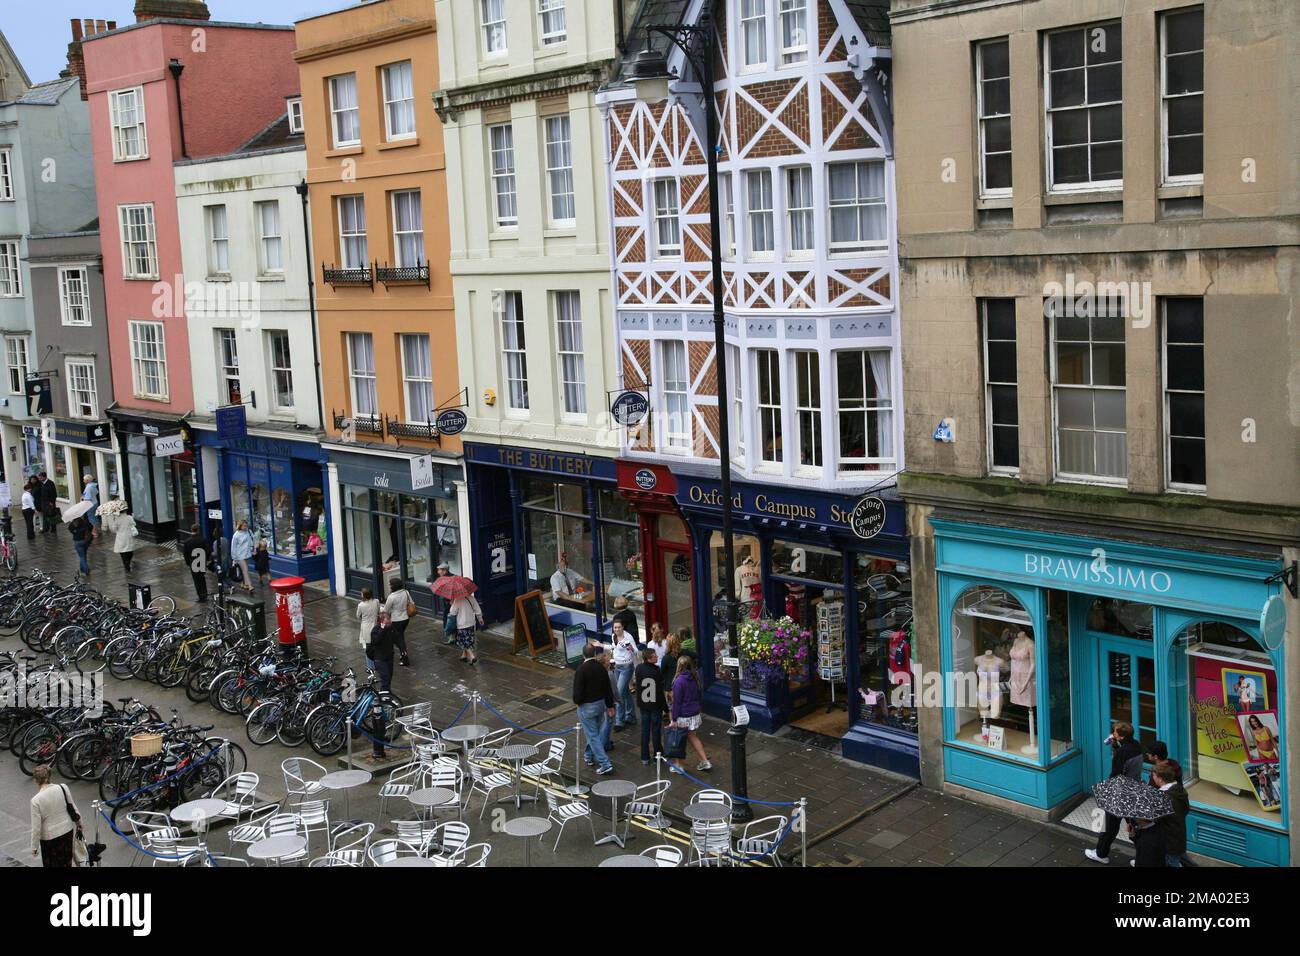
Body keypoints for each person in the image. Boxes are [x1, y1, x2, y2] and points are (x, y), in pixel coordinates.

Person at [1085, 722, 1144, 864]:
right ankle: (1143, 858)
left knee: (1110, 826)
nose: (1113, 733)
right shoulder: (1136, 746)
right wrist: (1116, 745)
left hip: (1120, 792)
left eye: (1116, 732)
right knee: (1134, 826)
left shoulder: (1123, 753)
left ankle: (1101, 854)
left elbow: (1117, 773)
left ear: (1122, 736)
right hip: (1133, 789)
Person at [572, 643, 615, 774]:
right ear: (594, 654)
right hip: (600, 705)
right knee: (594, 733)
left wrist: (577, 702)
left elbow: (577, 693)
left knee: (593, 736)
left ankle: (605, 764)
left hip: (587, 707)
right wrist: (610, 706)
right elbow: (607, 688)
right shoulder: (601, 668)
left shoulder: (581, 670)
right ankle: (588, 756)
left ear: (583, 654)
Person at [30, 764, 81, 867]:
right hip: (67, 830)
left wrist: (34, 847)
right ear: (49, 776)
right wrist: (79, 823)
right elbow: (73, 807)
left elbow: (36, 827)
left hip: (49, 837)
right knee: (67, 862)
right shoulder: (63, 787)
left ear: (35, 780)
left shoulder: (35, 801)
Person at [669, 655, 711, 773]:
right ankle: (705, 761)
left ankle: (679, 766)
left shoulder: (678, 681)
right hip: (694, 713)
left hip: (683, 715)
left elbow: (676, 702)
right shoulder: (695, 677)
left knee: (679, 741)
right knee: (692, 737)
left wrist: (674, 719)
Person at [366, 612, 397, 760]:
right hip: (379, 659)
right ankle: (384, 699)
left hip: (389, 658)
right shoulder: (376, 630)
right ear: (382, 620)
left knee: (388, 679)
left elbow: (398, 638)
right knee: (384, 679)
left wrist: (403, 649)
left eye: (390, 619)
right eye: (388, 619)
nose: (390, 621)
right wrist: (383, 629)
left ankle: (386, 695)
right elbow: (376, 641)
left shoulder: (391, 628)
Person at [1150, 759, 1189, 868]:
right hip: (1178, 837)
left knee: (1172, 862)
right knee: (1181, 858)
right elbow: (1185, 810)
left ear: (1160, 778)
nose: (1153, 778)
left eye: (1154, 776)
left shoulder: (1163, 797)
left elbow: (1156, 819)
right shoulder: (1178, 790)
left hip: (1168, 841)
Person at [603, 619, 639, 731]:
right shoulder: (613, 635)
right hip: (617, 667)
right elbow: (614, 647)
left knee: (618, 693)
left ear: (623, 627)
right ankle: (631, 716)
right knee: (625, 692)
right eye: (615, 627)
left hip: (626, 668)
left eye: (619, 627)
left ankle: (619, 721)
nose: (617, 629)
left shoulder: (628, 637)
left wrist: (632, 649)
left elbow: (636, 652)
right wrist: (601, 645)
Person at [635, 646, 668, 766]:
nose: (657, 657)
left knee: (644, 731)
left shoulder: (639, 668)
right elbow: (660, 692)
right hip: (655, 706)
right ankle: (657, 755)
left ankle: (644, 757)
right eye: (654, 656)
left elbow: (638, 686)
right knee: (656, 731)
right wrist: (665, 708)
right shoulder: (656, 671)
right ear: (649, 658)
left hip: (644, 705)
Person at [449, 585, 484, 666]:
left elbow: (452, 612)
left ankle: (472, 656)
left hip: (462, 624)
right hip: (471, 623)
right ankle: (464, 656)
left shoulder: (457, 600)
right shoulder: (471, 598)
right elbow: (477, 609)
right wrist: (480, 619)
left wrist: (452, 603)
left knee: (463, 641)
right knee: (469, 639)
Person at [383, 576, 413, 667]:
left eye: (390, 585)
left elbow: (386, 610)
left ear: (393, 586)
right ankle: (402, 653)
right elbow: (411, 602)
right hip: (405, 619)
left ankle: (404, 657)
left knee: (397, 639)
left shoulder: (391, 597)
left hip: (396, 620)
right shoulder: (406, 592)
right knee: (400, 636)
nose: (389, 586)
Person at [106, 503, 138, 573]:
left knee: (123, 552)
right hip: (128, 536)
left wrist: (113, 520)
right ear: (125, 510)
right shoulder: (129, 517)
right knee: (130, 551)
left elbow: (113, 530)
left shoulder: (117, 519)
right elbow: (134, 524)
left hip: (120, 538)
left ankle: (126, 564)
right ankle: (128, 563)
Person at [181, 524, 210, 603]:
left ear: (191, 530)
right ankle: (205, 593)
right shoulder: (203, 540)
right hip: (202, 562)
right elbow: (208, 551)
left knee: (196, 580)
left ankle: (200, 596)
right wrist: (206, 560)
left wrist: (188, 563)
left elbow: (185, 554)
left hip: (193, 563)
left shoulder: (187, 542)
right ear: (198, 530)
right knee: (202, 578)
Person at [356, 587, 380, 671]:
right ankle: (377, 663)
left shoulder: (361, 605)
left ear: (364, 595)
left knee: (367, 647)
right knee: (376, 646)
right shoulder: (376, 601)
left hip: (366, 627)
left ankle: (370, 666)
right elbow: (378, 612)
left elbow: (358, 616)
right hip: (375, 625)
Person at [433, 562, 456, 645]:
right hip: (448, 603)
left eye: (439, 570)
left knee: (449, 620)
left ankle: (452, 638)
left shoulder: (449, 579)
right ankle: (453, 636)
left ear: (445, 570)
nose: (438, 572)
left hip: (450, 603)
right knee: (452, 619)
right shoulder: (450, 577)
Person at [230, 520, 255, 592]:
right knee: (245, 570)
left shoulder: (248, 532)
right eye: (244, 526)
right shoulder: (236, 535)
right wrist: (234, 558)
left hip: (247, 554)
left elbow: (253, 540)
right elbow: (233, 547)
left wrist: (253, 548)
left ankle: (243, 583)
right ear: (240, 526)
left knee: (243, 570)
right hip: (239, 555)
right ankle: (250, 585)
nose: (245, 527)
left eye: (246, 526)